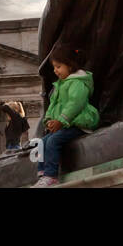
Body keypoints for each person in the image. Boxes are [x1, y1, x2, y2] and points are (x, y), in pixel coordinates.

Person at [33, 43, 100, 187]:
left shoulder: (77, 82)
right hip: (65, 124)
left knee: (53, 141)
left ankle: (51, 176)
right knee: (42, 142)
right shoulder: (60, 84)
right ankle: (43, 173)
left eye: (58, 67)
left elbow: (75, 104)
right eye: (54, 67)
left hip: (79, 123)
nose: (55, 71)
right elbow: (53, 105)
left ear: (70, 65)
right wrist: (49, 119)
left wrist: (61, 121)